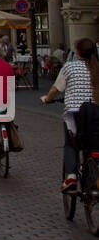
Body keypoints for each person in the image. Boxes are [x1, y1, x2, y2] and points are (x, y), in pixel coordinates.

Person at [41, 37, 99, 191]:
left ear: (78, 52)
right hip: (95, 112)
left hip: (75, 113)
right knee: (93, 142)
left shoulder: (69, 67)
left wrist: (47, 98)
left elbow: (56, 89)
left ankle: (71, 177)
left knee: (71, 143)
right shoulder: (97, 68)